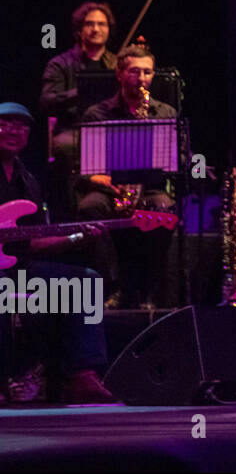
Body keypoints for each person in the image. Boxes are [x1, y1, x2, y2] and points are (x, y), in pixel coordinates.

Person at [0, 101, 116, 404]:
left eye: (22, 125)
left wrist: (78, 237)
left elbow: (32, 242)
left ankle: (82, 375)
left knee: (85, 281)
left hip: (16, 271)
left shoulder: (28, 181)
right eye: (6, 123)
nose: (14, 130)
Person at [78, 44, 178, 308]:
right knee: (89, 207)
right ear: (120, 74)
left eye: (147, 72)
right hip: (109, 186)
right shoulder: (97, 113)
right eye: (135, 72)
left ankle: (149, 290)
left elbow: (173, 163)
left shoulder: (165, 113)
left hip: (150, 187)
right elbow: (85, 172)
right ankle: (114, 285)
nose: (142, 78)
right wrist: (114, 187)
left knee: (165, 208)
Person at [40, 2, 117, 218]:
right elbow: (47, 101)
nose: (96, 29)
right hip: (73, 128)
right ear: (79, 30)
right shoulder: (60, 63)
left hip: (109, 128)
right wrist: (81, 91)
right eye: (89, 24)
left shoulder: (116, 64)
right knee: (67, 146)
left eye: (101, 24)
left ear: (108, 30)